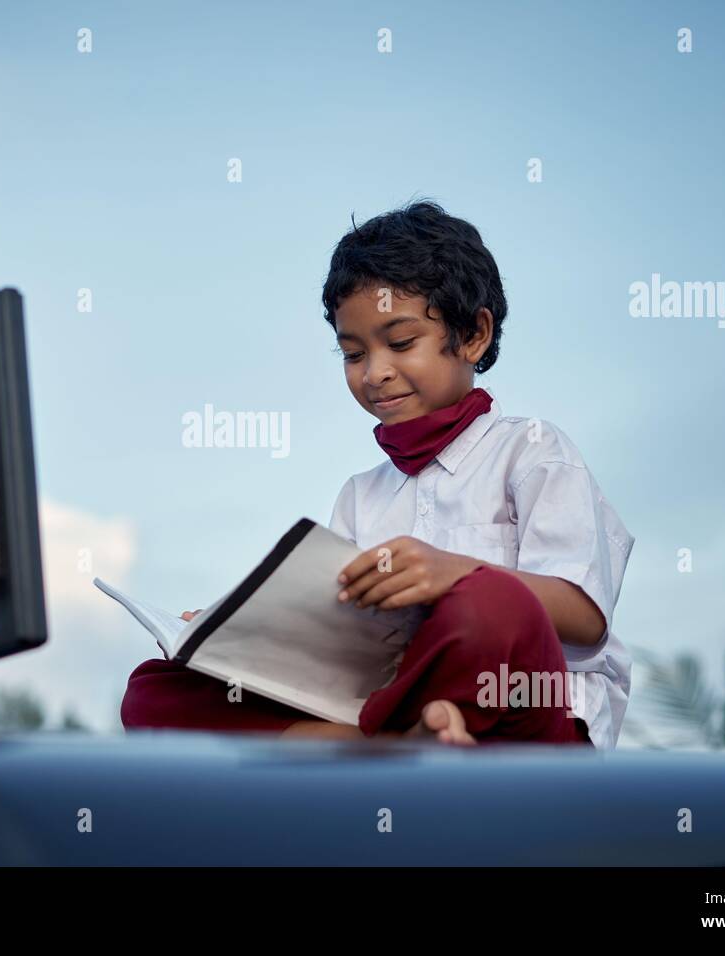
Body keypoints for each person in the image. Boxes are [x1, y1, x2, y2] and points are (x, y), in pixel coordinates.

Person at [121, 200, 634, 748]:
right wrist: (239, 632)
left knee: (493, 604)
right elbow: (335, 636)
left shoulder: (533, 452)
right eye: (352, 353)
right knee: (154, 690)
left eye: (401, 342)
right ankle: (378, 743)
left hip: (521, 720)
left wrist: (453, 573)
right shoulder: (361, 496)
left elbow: (584, 617)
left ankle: (396, 734)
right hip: (386, 708)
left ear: (474, 335)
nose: (375, 373)